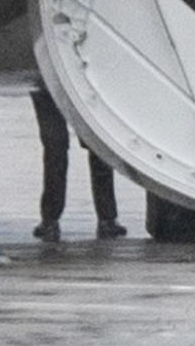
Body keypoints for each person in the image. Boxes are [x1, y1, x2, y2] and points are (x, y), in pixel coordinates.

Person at [28, 82, 124, 242]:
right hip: (84, 82)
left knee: (55, 150)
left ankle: (50, 221)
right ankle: (107, 219)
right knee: (98, 147)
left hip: (48, 81)